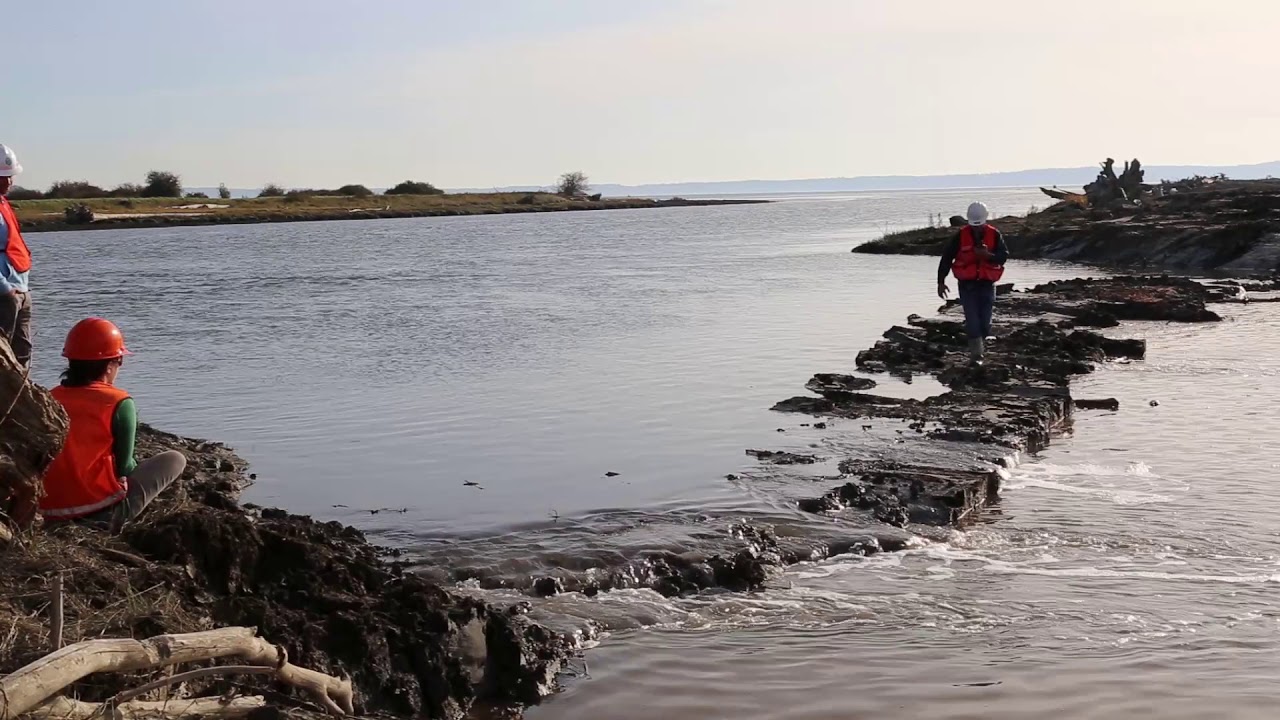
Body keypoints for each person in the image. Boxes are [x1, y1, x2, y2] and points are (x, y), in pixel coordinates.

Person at [39, 318, 186, 531]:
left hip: (48, 512)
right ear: (109, 365)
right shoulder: (119, 402)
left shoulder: (47, 398)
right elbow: (125, 467)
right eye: (119, 361)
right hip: (102, 513)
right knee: (175, 459)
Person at [937, 201, 1009, 363]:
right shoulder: (960, 236)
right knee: (972, 320)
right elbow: (946, 258)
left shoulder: (994, 234)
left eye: (979, 225)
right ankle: (977, 355)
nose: (977, 229)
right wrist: (941, 282)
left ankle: (981, 344)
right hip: (967, 285)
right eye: (974, 226)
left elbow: (1003, 257)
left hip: (987, 284)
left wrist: (988, 256)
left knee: (985, 322)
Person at [0, 143, 33, 369]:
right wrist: (5, 289)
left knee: (22, 352)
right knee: (3, 356)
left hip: (20, 287)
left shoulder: (4, 204)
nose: (9, 182)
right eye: (3, 177)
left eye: (10, 176)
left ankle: (22, 388)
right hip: (6, 292)